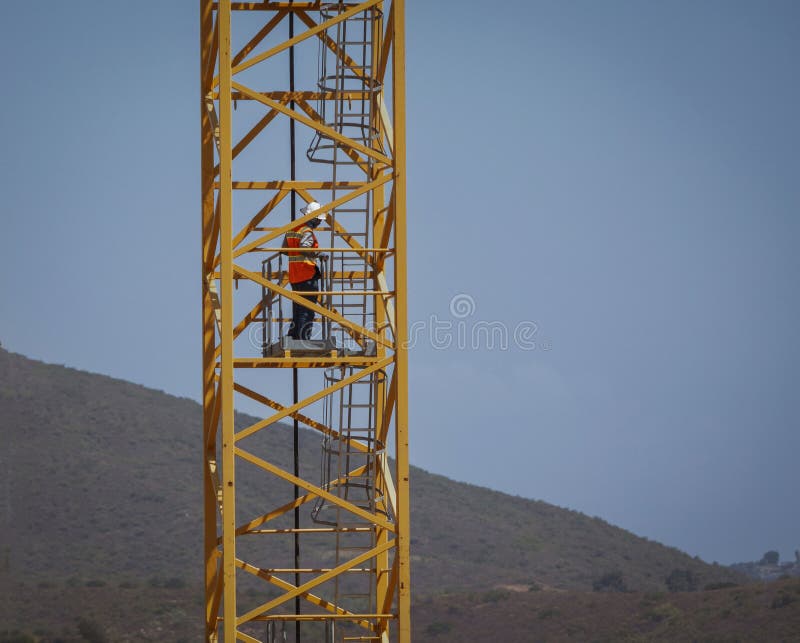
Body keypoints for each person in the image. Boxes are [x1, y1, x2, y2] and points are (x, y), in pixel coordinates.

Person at [283, 201, 326, 340]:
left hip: (295, 276)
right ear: (313, 218)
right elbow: (304, 247)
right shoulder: (306, 231)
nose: (319, 223)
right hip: (307, 274)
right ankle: (303, 338)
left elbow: (284, 250)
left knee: (298, 308)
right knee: (307, 310)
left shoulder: (292, 229)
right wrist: (319, 254)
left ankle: (293, 335)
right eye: (319, 220)